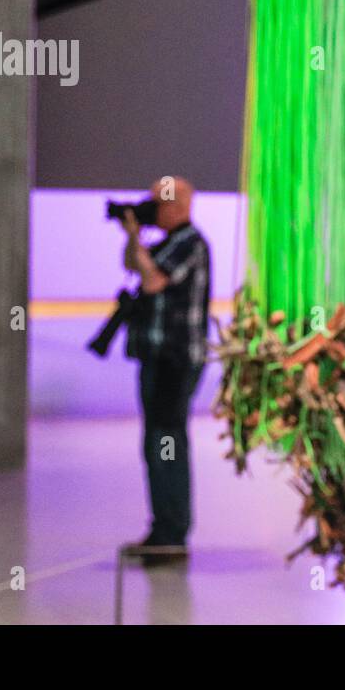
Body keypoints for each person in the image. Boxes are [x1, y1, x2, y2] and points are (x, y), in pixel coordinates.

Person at [120, 175, 211, 560]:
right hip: (160, 360)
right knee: (157, 442)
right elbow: (132, 265)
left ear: (177, 206)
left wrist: (136, 234)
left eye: (159, 203)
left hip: (175, 363)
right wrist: (133, 235)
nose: (155, 210)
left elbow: (153, 280)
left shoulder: (190, 244)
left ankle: (172, 531)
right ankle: (164, 528)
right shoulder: (169, 243)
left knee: (167, 442)